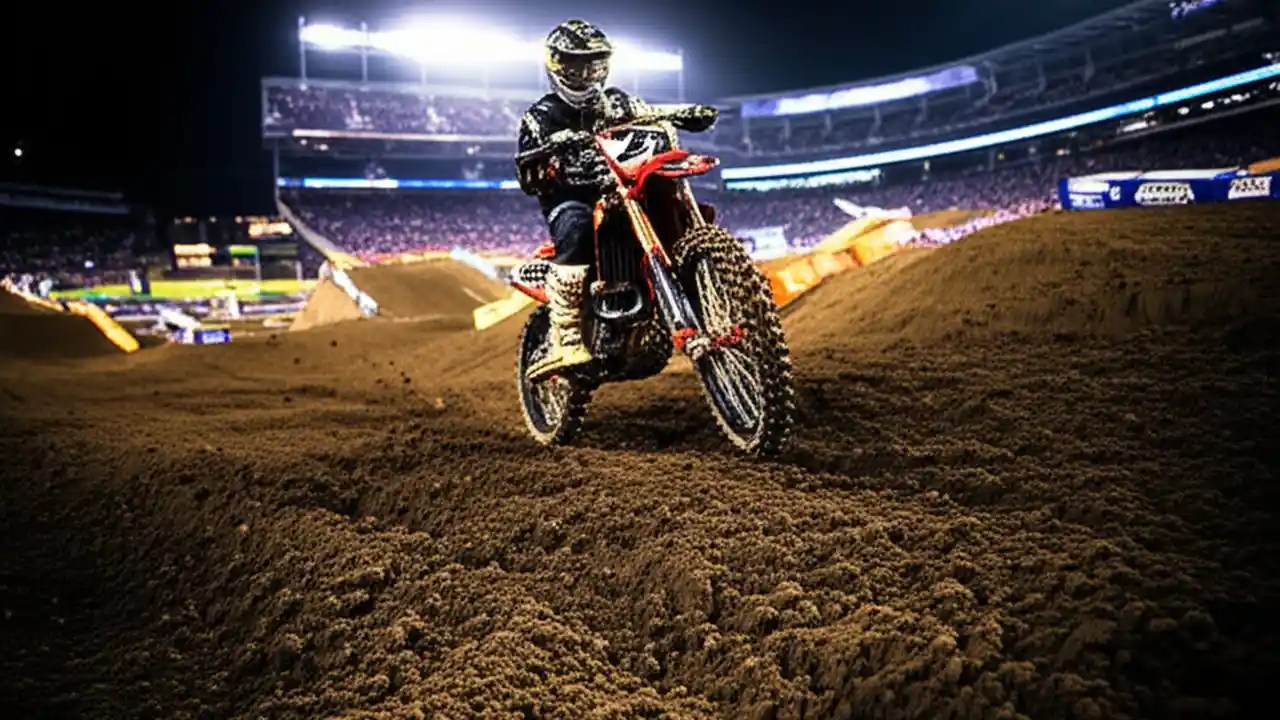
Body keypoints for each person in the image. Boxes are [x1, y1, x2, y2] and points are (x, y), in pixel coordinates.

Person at [515, 19, 718, 380]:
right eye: (575, 64)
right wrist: (550, 151)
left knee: (668, 197)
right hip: (572, 196)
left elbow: (649, 115)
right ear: (556, 65)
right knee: (576, 226)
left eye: (594, 63)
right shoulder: (540, 115)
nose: (585, 73)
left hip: (623, 184)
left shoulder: (619, 100)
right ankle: (567, 338)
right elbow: (527, 173)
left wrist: (685, 114)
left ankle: (710, 287)